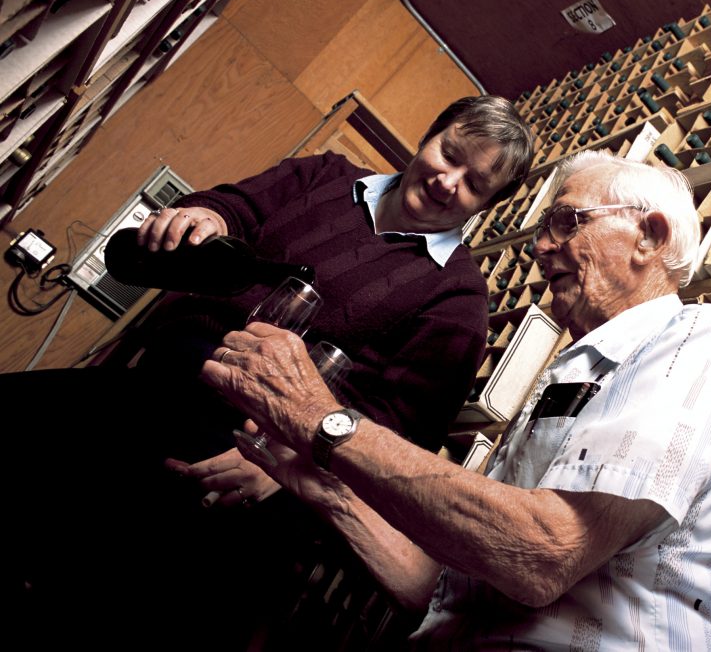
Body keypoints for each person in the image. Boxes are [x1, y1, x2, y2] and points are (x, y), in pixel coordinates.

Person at [6, 95, 533, 649]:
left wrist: (285, 465)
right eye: (449, 154)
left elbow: (400, 426)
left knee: (102, 590)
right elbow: (237, 207)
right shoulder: (327, 174)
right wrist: (205, 216)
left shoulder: (458, 297)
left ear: (488, 204)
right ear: (430, 136)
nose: (449, 181)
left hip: (240, 455)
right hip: (146, 390)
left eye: (474, 183)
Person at [205, 150, 711, 650]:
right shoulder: (569, 377)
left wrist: (319, 418)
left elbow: (545, 554)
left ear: (648, 236)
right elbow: (448, 593)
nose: (541, 247)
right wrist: (325, 484)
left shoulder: (700, 339)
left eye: (564, 222)